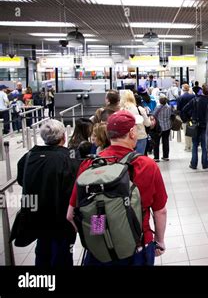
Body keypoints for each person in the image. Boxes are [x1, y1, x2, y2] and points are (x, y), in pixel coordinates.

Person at [66, 110, 168, 266]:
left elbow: (71, 215)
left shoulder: (89, 165)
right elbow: (160, 211)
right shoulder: (146, 165)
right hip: (138, 247)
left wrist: (99, 239)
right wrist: (159, 241)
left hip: (99, 252)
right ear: (132, 133)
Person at [16, 120, 78, 266]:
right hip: (61, 217)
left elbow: (21, 180)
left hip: (36, 214)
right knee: (62, 254)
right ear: (63, 137)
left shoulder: (29, 156)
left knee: (42, 250)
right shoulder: (69, 157)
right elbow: (74, 186)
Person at [182, 84, 208, 170]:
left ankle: (193, 164)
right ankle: (205, 163)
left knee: (194, 144)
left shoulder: (195, 100)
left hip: (195, 125)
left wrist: (188, 119)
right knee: (204, 145)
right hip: (205, 126)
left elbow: (184, 110)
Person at [119, 90, 150, 154]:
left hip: (126, 138)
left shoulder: (120, 111)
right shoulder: (140, 109)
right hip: (140, 137)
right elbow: (148, 124)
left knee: (127, 160)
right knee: (139, 160)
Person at [153, 97, 174, 162]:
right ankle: (165, 156)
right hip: (167, 126)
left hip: (158, 128)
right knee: (165, 141)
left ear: (159, 101)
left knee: (156, 142)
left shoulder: (157, 108)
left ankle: (156, 157)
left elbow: (154, 115)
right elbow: (172, 115)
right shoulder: (170, 107)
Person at [176, 84, 195, 152]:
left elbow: (178, 109)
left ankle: (187, 146)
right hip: (192, 118)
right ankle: (193, 146)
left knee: (186, 132)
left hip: (184, 118)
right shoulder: (193, 96)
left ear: (183, 89)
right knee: (192, 131)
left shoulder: (180, 98)